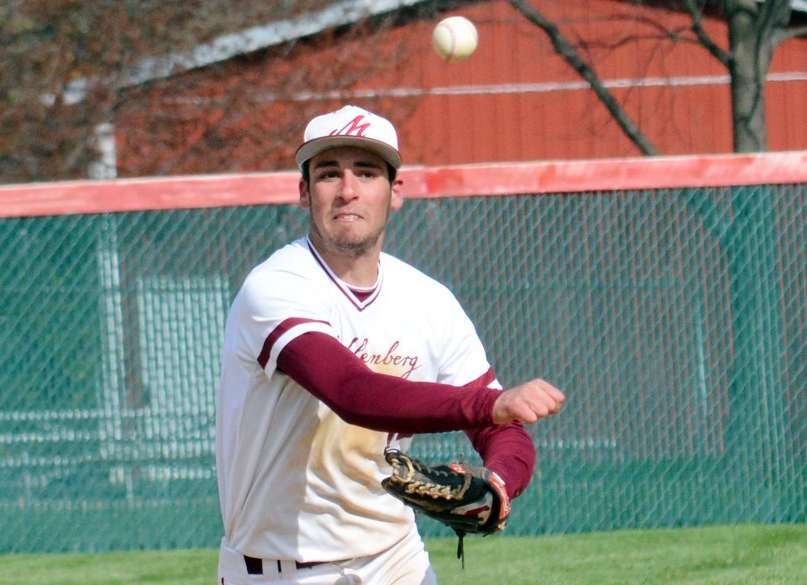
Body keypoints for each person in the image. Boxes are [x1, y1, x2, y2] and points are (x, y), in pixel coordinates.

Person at [215, 104, 565, 585]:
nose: (348, 190)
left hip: (396, 562)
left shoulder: (428, 300)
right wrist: (492, 404)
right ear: (303, 192)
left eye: (367, 172)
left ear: (395, 192)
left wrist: (499, 484)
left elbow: (503, 432)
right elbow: (353, 392)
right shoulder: (276, 286)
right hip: (279, 572)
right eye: (328, 174)